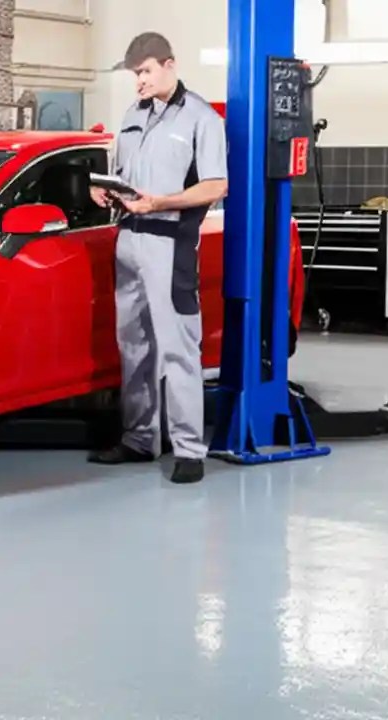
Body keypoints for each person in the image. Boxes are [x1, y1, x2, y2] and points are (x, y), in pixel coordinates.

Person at [87, 31, 229, 485]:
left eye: (145, 72)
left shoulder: (201, 119)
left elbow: (214, 186)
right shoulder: (133, 115)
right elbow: (126, 175)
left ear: (170, 64)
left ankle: (189, 449)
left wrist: (160, 202)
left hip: (170, 243)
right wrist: (105, 190)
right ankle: (139, 439)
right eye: (135, 74)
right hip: (128, 239)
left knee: (178, 349)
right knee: (134, 347)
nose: (139, 82)